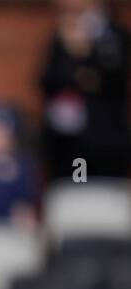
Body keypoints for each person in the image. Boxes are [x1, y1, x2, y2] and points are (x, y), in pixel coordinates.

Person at [38, 0, 131, 180]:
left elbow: (108, 81)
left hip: (106, 137)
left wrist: (81, 54)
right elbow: (48, 79)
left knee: (104, 187)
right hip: (69, 139)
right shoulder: (61, 35)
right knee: (76, 183)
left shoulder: (116, 35)